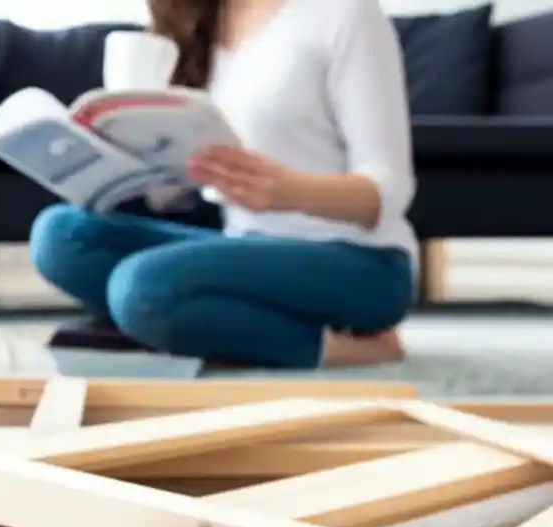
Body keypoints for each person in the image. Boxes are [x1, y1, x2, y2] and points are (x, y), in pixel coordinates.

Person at [30, 0, 417, 368]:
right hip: (246, 246)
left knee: (143, 289)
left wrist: (289, 192)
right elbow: (185, 186)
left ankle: (347, 348)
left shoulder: (343, 13)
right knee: (60, 235)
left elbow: (391, 187)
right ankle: (205, 323)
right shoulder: (201, 21)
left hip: (362, 262)